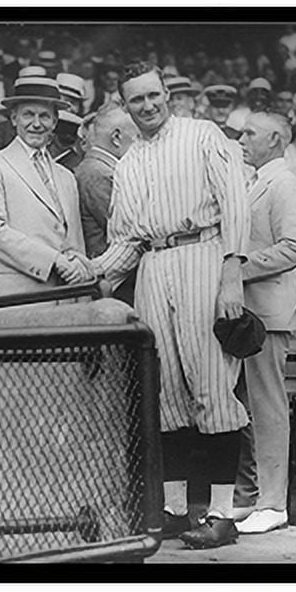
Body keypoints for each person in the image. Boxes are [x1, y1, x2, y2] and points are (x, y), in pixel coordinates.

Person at [90, 63, 250, 549]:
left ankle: (222, 516)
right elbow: (124, 241)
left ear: (167, 94)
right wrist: (92, 270)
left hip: (204, 253)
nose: (148, 105)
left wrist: (232, 272)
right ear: (124, 105)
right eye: (136, 100)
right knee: (167, 393)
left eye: (154, 95)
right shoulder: (130, 162)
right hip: (154, 266)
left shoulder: (202, 135)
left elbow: (235, 203)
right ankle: (177, 510)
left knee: (213, 389)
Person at [233, 112, 296, 533]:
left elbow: (294, 247)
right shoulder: (255, 180)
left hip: (269, 313)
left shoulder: (284, 183)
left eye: (250, 133)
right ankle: (251, 497)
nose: (242, 138)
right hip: (247, 313)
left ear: (276, 140)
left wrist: (237, 268)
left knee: (267, 407)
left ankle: (273, 503)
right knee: (245, 408)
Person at [0, 77, 91, 299]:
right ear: (14, 118)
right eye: (28, 114)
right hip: (17, 297)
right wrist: (54, 261)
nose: (36, 124)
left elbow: (74, 240)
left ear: (55, 122)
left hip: (65, 296)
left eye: (44, 116)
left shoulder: (66, 177)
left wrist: (78, 266)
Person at [74, 104, 139, 305]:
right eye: (136, 137)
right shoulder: (99, 174)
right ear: (117, 137)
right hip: (112, 282)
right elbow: (127, 229)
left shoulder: (98, 170)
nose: (139, 144)